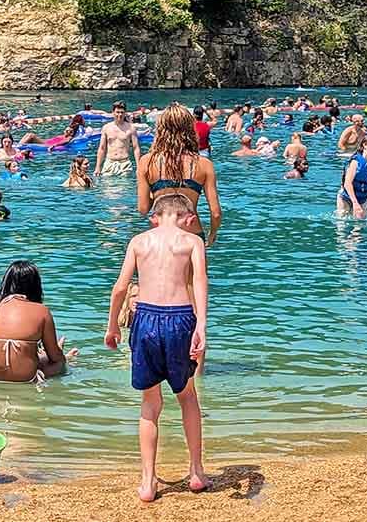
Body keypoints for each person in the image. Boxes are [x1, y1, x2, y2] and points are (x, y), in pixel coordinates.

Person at [105, 193, 209, 502]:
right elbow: (201, 281)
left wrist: (112, 326)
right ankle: (195, 472)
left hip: (146, 319)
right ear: (188, 219)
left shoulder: (139, 241)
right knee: (188, 397)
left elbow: (121, 287)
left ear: (155, 217)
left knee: (150, 404)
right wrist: (201, 325)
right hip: (180, 319)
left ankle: (149, 482)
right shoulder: (192, 242)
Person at [0, 261, 75, 384]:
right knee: (60, 364)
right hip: (24, 378)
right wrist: (62, 356)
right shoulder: (42, 311)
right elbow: (54, 356)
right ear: (35, 286)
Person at [137, 102, 221, 246]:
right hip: (192, 234)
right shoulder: (204, 164)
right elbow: (216, 213)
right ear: (190, 128)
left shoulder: (146, 161)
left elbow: (143, 209)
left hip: (159, 235)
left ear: (161, 129)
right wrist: (212, 233)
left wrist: (157, 191)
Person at [336, 137, 367, 220]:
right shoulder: (356, 161)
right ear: (365, 145)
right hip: (346, 197)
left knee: (360, 226)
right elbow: (347, 183)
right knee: (342, 224)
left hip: (363, 198)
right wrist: (355, 203)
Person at [94, 102, 141, 176]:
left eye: (122, 112)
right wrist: (98, 167)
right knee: (108, 186)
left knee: (124, 186)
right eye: (117, 112)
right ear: (113, 113)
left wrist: (139, 167)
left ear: (125, 113)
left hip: (124, 163)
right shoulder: (106, 128)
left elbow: (136, 148)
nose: (120, 115)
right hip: (109, 162)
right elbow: (102, 148)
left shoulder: (131, 128)